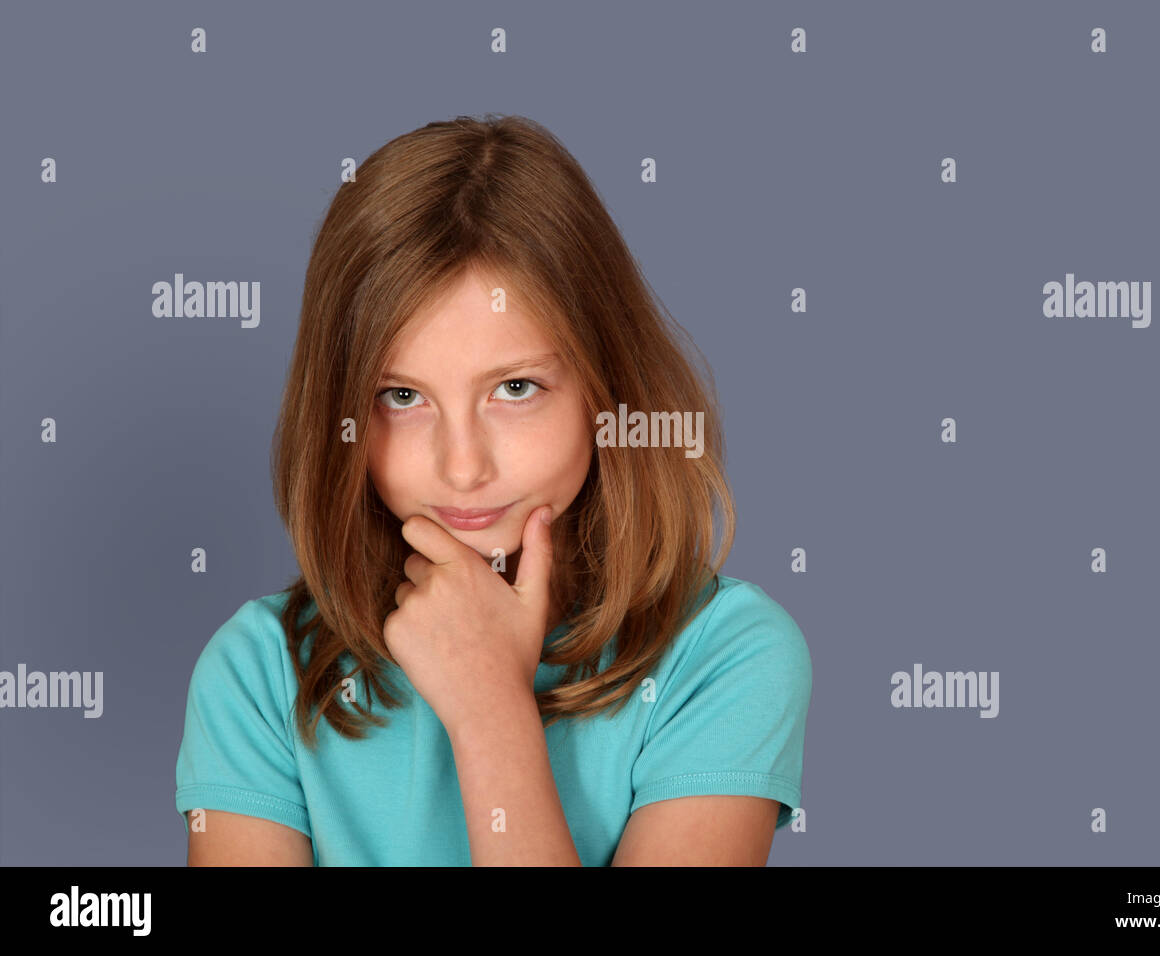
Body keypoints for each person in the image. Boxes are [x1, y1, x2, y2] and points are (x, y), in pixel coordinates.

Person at [174, 114, 812, 865]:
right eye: (401, 398)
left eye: (515, 387)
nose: (463, 466)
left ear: (607, 391)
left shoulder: (726, 657)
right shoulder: (258, 675)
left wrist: (490, 711)